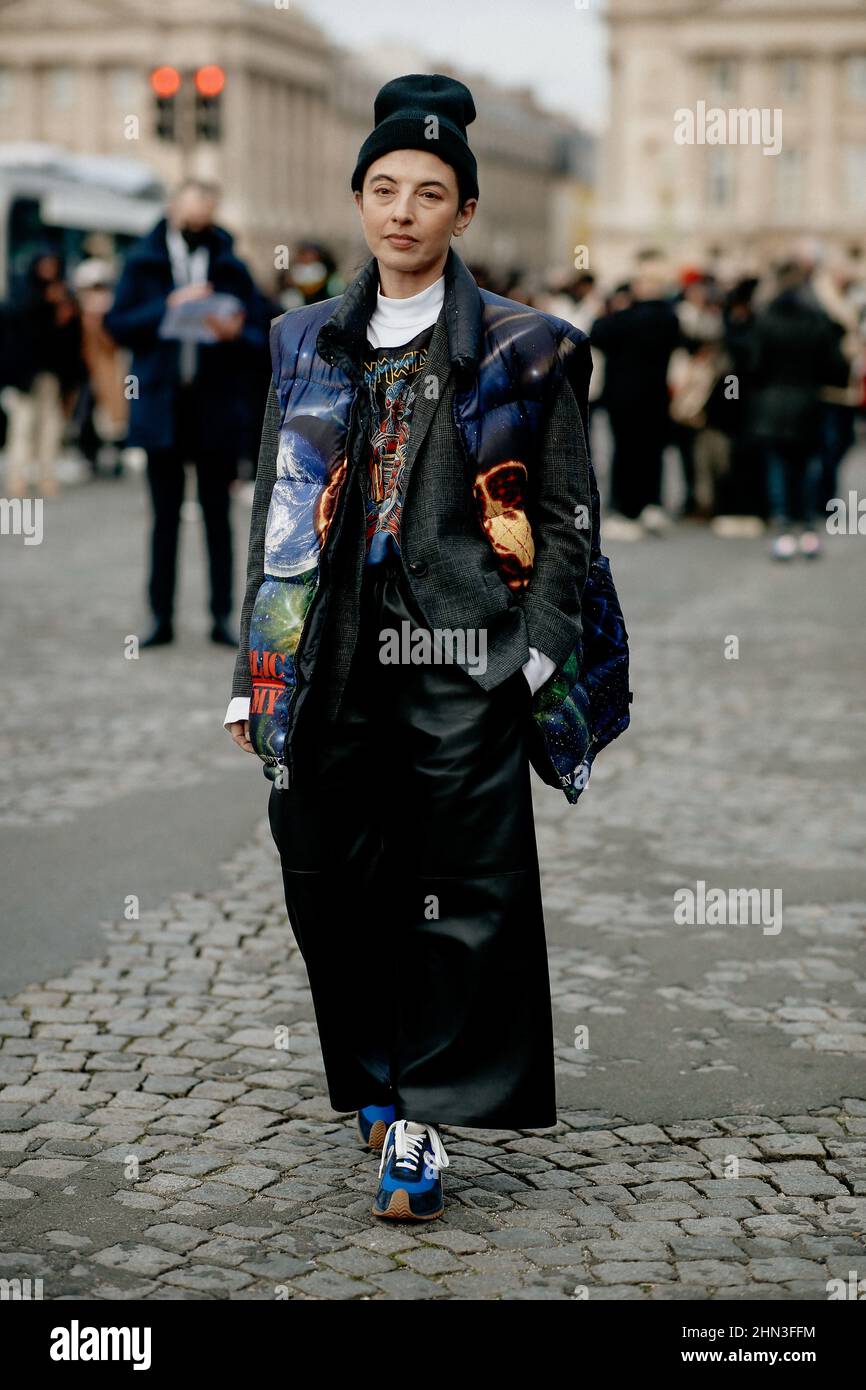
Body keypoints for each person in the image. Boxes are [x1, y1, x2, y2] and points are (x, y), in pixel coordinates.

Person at [224, 74, 629, 1222]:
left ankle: (415, 1121)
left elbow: (565, 520)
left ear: (462, 212)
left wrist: (537, 651)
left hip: (461, 655)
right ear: (360, 199)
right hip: (330, 651)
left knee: (457, 898)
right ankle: (371, 1074)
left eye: (430, 192)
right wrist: (251, 671)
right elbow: (277, 507)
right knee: (322, 879)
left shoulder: (530, 347)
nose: (402, 210)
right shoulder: (299, 335)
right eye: (385, 187)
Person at [104, 179, 265, 647]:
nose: (197, 226)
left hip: (214, 407)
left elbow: (260, 334)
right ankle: (161, 617)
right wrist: (166, 307)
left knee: (218, 517)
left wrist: (235, 333)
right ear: (174, 212)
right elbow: (117, 324)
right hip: (161, 407)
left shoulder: (231, 265)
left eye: (205, 218)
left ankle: (220, 616)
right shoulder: (143, 262)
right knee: (164, 518)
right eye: (190, 217)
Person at [748, 260, 850, 561]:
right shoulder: (817, 321)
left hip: (774, 403)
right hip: (809, 402)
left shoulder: (766, 320)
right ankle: (807, 528)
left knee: (780, 468)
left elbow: (754, 367)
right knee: (807, 468)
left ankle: (783, 528)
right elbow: (836, 368)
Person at [590, 255, 681, 538]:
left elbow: (596, 334)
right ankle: (651, 504)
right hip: (655, 396)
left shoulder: (622, 319)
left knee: (625, 453)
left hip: (623, 398)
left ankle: (626, 509)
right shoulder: (670, 319)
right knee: (652, 452)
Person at [0, 249, 83, 497]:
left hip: (52, 372)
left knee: (50, 425)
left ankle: (47, 475)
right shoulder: (22, 295)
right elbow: (15, 330)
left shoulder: (63, 295)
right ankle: (18, 477)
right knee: (23, 426)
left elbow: (70, 338)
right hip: (24, 373)